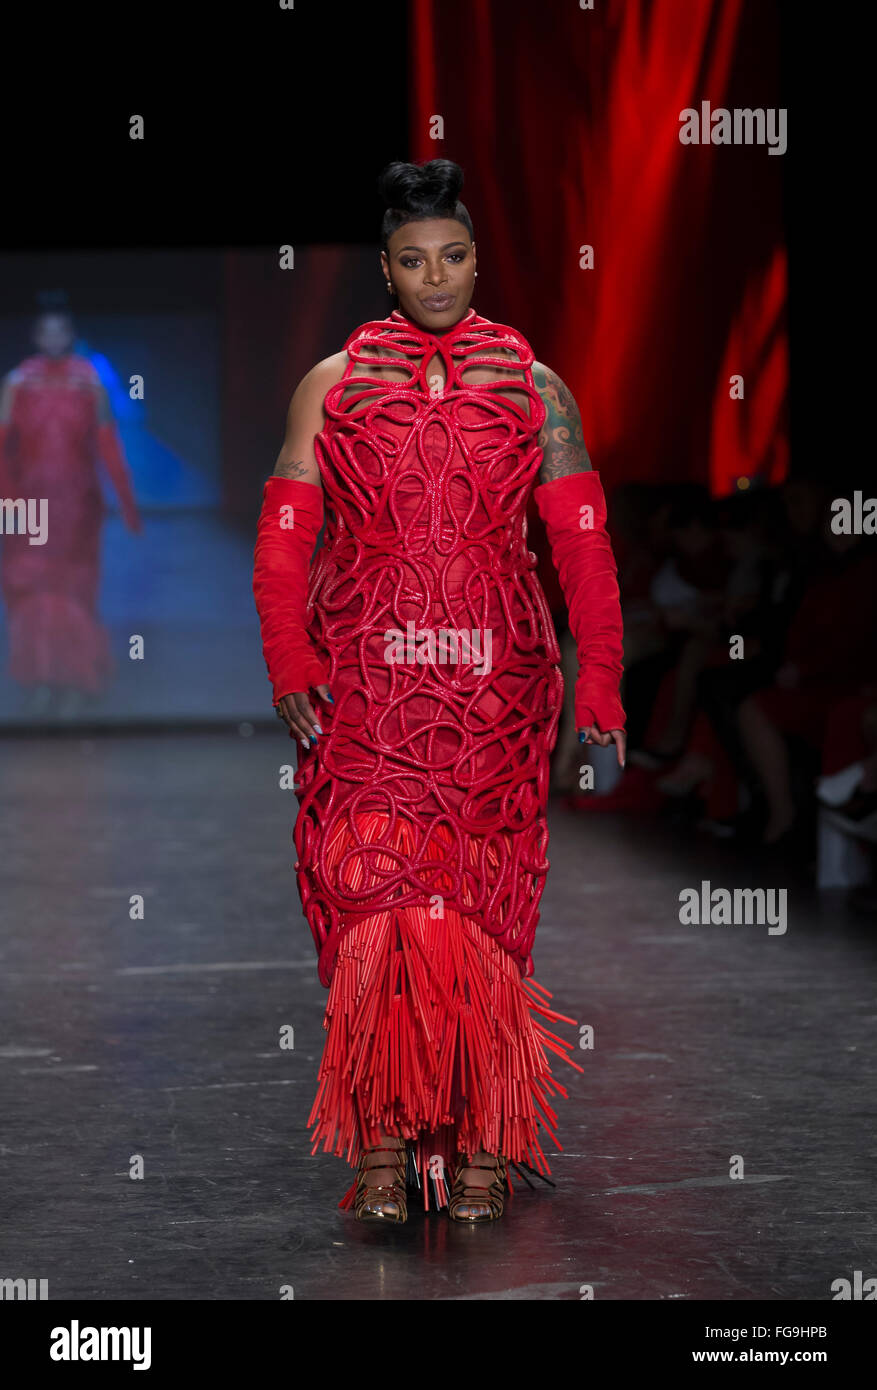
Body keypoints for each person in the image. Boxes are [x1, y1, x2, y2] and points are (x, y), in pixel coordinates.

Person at [252, 159, 626, 1224]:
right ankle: (379, 1148)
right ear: (384, 270)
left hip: (498, 686)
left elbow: (583, 550)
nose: (435, 276)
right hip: (367, 683)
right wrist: (290, 660)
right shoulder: (330, 385)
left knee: (478, 918)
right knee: (373, 903)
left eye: (452, 256)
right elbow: (285, 542)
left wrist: (597, 681)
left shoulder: (533, 384)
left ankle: (481, 1146)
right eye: (413, 260)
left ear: (476, 260)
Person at [0, 307, 142, 716]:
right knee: (32, 591)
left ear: (71, 335)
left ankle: (78, 680)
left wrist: (128, 505)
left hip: (78, 504)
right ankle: (41, 681)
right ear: (35, 336)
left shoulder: (88, 382)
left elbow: (108, 443)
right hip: (29, 504)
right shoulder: (17, 381)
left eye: (61, 330)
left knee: (75, 591)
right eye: (46, 330)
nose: (53, 338)